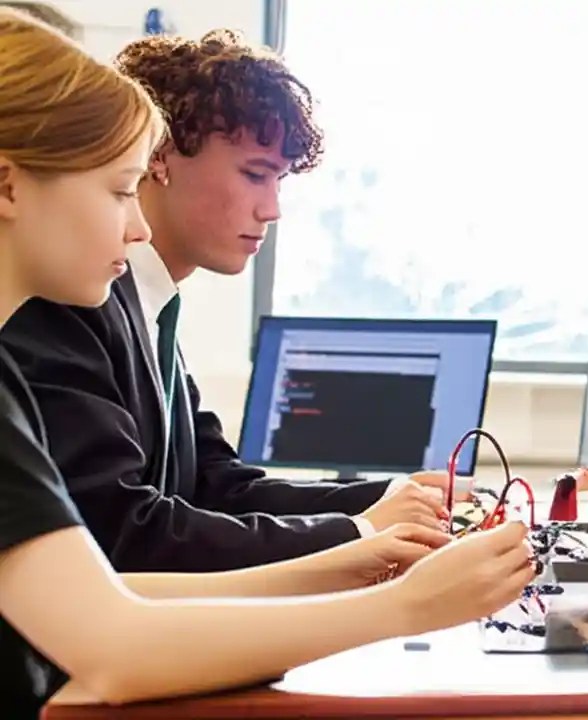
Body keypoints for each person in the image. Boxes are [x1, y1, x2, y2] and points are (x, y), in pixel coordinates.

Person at [0, 10, 533, 718]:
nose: (136, 227)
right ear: (8, 187)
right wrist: (398, 600)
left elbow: (110, 591)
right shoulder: (59, 320)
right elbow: (115, 626)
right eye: (120, 189)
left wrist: (358, 553)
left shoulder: (98, 330)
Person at [0, 29, 457, 572]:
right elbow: (123, 531)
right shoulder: (69, 303)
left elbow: (216, 484)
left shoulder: (150, 307)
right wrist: (357, 535)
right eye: (255, 174)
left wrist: (390, 500)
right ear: (160, 157)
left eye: (279, 181)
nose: (272, 209)